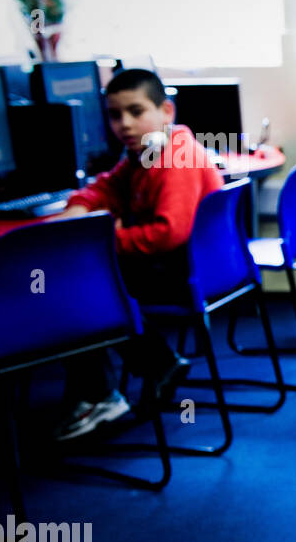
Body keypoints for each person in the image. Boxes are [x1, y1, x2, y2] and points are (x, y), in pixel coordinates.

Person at [52, 68, 222, 440]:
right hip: (187, 266)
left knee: (75, 289)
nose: (124, 124)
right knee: (82, 282)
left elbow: (168, 233)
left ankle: (102, 394)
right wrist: (81, 205)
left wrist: (109, 239)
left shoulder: (176, 158)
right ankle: (156, 364)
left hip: (184, 272)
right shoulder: (146, 152)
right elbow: (108, 187)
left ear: (166, 111)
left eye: (135, 111)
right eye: (115, 115)